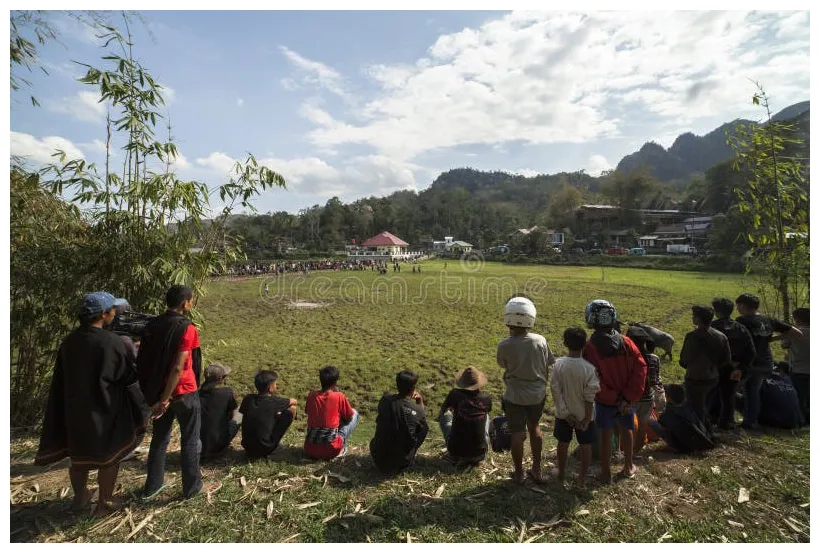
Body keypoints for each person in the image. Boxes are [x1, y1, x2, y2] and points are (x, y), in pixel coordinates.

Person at [35, 292, 147, 516]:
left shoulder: (69, 342)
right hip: (105, 408)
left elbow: (61, 376)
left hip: (74, 408)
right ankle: (104, 503)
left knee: (79, 457)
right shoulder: (112, 342)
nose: (114, 313)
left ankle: (80, 498)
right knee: (109, 457)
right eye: (112, 310)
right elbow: (127, 376)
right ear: (104, 314)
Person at [137, 285, 204, 500]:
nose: (191, 303)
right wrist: (167, 399)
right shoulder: (187, 328)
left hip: (157, 391)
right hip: (183, 390)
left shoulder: (152, 324)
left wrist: (159, 398)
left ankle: (153, 485)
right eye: (191, 300)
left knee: (160, 439)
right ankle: (192, 489)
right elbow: (178, 367)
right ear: (185, 303)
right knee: (190, 439)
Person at [582, 299, 646, 482]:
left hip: (605, 401)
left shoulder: (590, 347)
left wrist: (613, 397)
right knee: (627, 430)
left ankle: (605, 473)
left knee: (605, 434)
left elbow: (593, 378)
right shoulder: (627, 342)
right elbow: (640, 368)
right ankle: (628, 466)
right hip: (626, 401)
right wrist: (627, 397)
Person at [496, 296, 555, 484]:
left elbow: (503, 364)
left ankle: (519, 473)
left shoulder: (504, 345)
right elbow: (549, 362)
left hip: (514, 395)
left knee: (517, 433)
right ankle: (536, 469)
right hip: (537, 394)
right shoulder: (540, 340)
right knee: (534, 427)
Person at [734, 293, 802, 430]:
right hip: (766, 363)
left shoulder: (742, 321)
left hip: (749, 363)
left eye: (738, 306)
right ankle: (750, 422)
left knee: (730, 389)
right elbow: (797, 333)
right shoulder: (769, 320)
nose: (737, 308)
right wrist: (772, 339)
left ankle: (724, 419)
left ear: (742, 305)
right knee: (753, 392)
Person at [551, 328, 600, 488]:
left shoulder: (558, 365)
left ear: (565, 343)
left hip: (563, 415)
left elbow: (555, 391)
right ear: (584, 345)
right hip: (584, 416)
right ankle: (582, 479)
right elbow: (589, 397)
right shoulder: (589, 369)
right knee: (586, 446)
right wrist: (586, 418)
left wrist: (565, 414)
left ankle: (561, 475)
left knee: (563, 443)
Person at [679, 305, 732, 431]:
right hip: (713, 378)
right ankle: (707, 430)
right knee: (704, 406)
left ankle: (700, 434)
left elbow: (684, 359)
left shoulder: (692, 336)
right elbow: (726, 360)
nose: (692, 318)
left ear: (698, 319)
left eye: (694, 316)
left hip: (695, 377)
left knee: (696, 408)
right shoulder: (721, 336)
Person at [708, 298, 756, 430]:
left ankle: (709, 419)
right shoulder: (741, 328)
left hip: (714, 368)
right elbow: (751, 351)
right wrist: (741, 368)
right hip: (734, 369)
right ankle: (726, 423)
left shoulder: (711, 327)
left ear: (716, 312)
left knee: (709, 394)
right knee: (729, 397)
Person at [370, 370, 429, 473]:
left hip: (378, 458)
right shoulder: (417, 409)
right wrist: (420, 401)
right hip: (402, 463)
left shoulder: (385, 400)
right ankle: (411, 454)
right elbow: (421, 417)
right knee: (424, 428)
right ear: (413, 388)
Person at [438, 367, 493, 466]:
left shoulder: (454, 394)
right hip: (479, 454)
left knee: (445, 414)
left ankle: (455, 442)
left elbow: (443, 410)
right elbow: (487, 410)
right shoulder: (486, 398)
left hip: (455, 452)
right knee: (487, 416)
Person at [304, 366, 359, 460]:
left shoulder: (312, 395)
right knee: (355, 413)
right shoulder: (339, 396)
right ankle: (341, 448)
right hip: (331, 451)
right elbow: (349, 417)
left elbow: (307, 411)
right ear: (335, 382)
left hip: (310, 449)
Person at [240, 370, 298, 458]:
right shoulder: (274, 401)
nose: (276, 385)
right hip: (264, 449)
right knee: (291, 409)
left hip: (247, 446)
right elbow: (294, 401)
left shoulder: (248, 399)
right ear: (270, 388)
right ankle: (272, 444)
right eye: (275, 384)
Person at [625, 326, 662, 456]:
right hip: (647, 398)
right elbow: (656, 380)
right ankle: (636, 450)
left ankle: (624, 450)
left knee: (626, 425)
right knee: (642, 425)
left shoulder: (627, 359)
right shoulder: (654, 358)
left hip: (629, 398)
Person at [648, 384, 715, 454]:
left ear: (668, 398)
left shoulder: (668, 415)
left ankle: (673, 446)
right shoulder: (688, 408)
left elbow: (661, 422)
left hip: (682, 447)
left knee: (652, 422)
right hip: (694, 442)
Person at [199, 362, 241, 459]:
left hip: (199, 445)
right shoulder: (227, 392)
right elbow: (232, 414)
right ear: (220, 379)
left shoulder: (196, 395)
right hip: (219, 444)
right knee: (239, 413)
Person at [782, 308, 809, 424]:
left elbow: (784, 345)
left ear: (797, 319)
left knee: (799, 397)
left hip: (798, 369)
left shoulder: (794, 333)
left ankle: (802, 420)